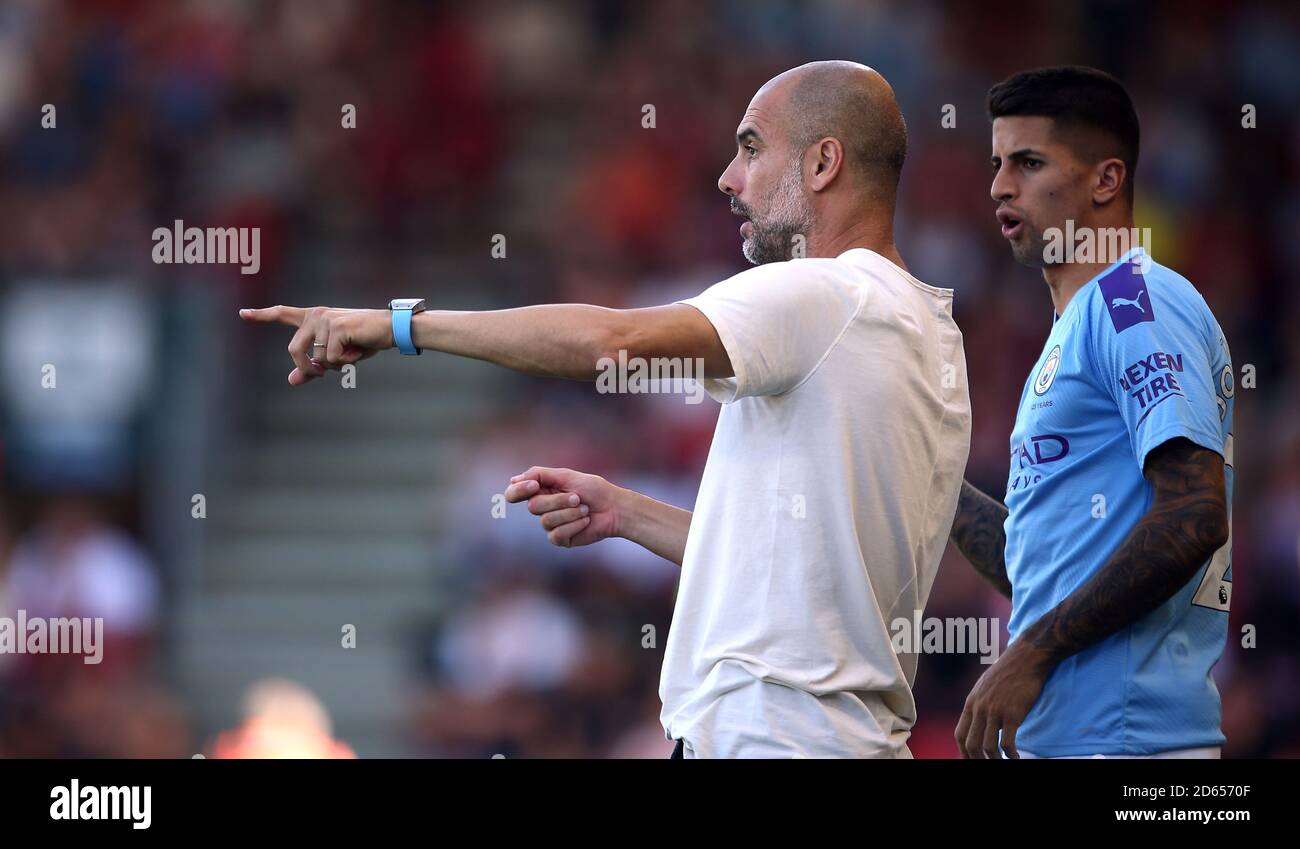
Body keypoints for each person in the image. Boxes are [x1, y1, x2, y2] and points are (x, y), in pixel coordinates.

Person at [242, 61, 971, 758]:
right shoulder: (929, 332)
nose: (729, 177)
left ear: (823, 164)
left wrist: (403, 327)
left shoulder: (824, 294)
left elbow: (611, 341)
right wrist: (628, 513)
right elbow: (798, 567)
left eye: (751, 147)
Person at [948, 66, 1233, 759]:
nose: (999, 186)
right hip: (1079, 740)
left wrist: (1031, 652)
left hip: (1133, 744)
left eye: (1029, 162)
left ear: (1106, 180)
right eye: (996, 164)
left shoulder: (1134, 301)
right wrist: (929, 480)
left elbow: (1194, 514)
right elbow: (1047, 570)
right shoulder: (1078, 324)